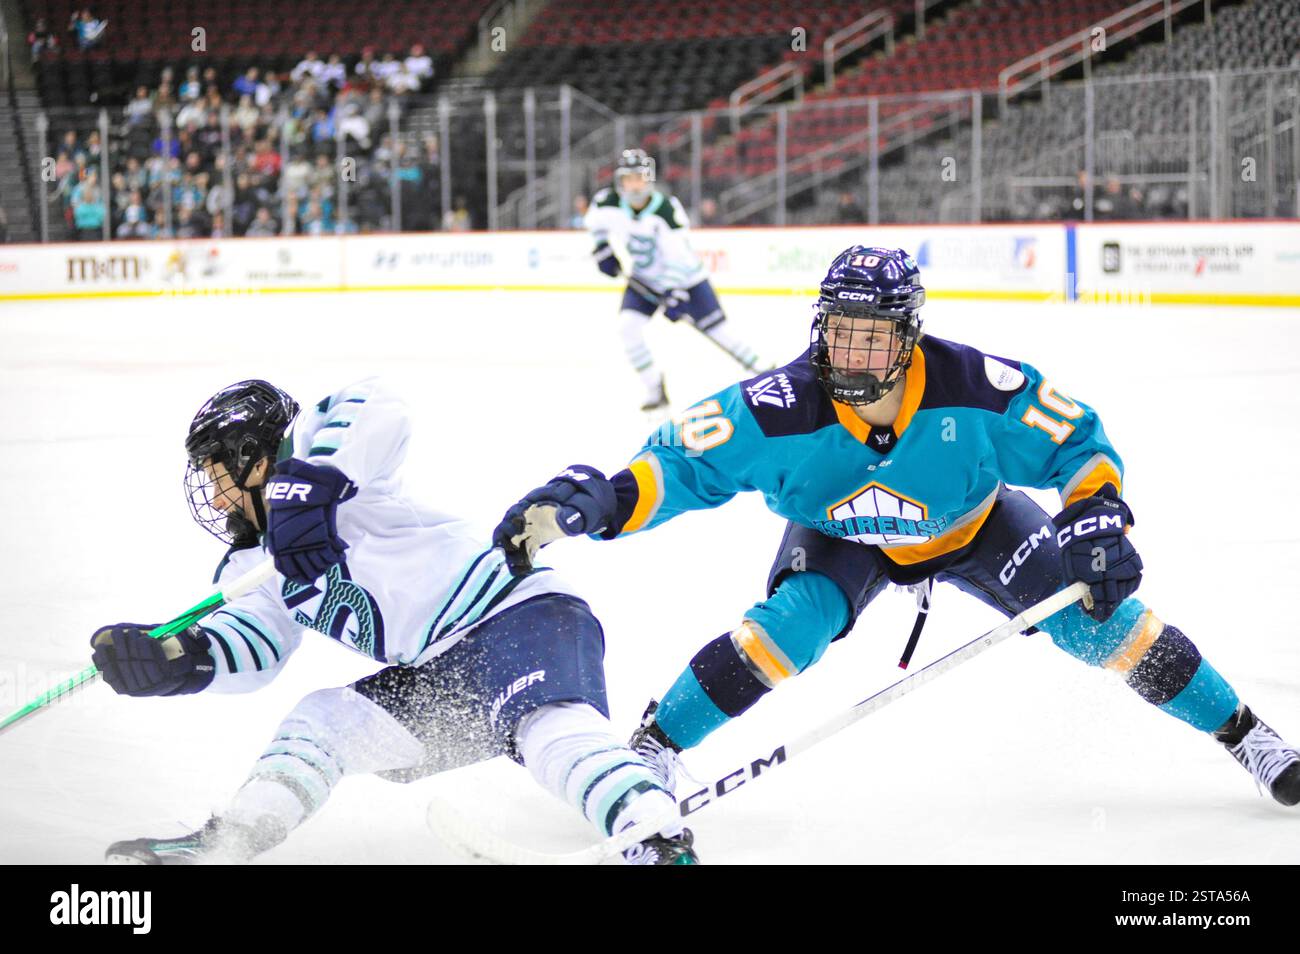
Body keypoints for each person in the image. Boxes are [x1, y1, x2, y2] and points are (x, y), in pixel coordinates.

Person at [495, 245, 1300, 815]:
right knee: (788, 630)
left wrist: (1093, 512)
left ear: (908, 333)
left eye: (871, 333)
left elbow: (1076, 441)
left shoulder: (975, 387)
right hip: (845, 537)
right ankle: (654, 749)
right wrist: (600, 499)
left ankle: (1250, 739)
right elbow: (680, 465)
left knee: (1106, 629)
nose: (849, 350)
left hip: (976, 527)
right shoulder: (781, 406)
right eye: (837, 329)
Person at [93, 379, 697, 865]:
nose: (217, 498)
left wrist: (308, 485)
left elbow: (377, 407)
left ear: (251, 455)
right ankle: (231, 842)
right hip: (440, 676)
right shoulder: (254, 561)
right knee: (321, 721)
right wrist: (177, 659)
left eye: (216, 473)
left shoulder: (325, 459)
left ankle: (652, 834)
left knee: (545, 726)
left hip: (519, 614)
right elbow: (256, 646)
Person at [584, 148, 765, 412]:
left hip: (687, 280)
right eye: (628, 179)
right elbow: (595, 225)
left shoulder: (667, 211)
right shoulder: (606, 203)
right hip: (644, 279)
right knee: (627, 328)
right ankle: (654, 387)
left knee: (720, 333)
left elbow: (678, 257)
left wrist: (674, 292)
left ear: (649, 179)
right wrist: (602, 248)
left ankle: (763, 373)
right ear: (620, 181)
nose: (634, 185)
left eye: (639, 178)